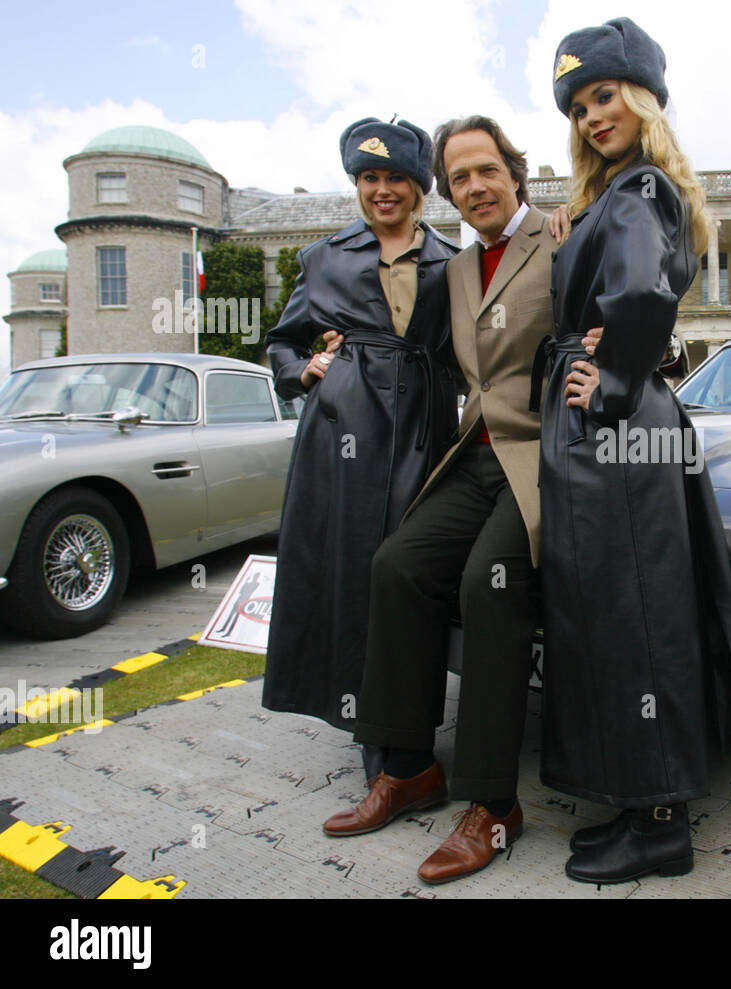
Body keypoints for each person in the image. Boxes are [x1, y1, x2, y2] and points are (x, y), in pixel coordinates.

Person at [538, 16, 731, 885]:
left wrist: (615, 380)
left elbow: (638, 291)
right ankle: (636, 803)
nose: (593, 116)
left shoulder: (638, 193)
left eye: (605, 96)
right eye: (580, 105)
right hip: (605, 429)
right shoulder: (615, 197)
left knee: (632, 617)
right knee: (608, 613)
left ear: (642, 99)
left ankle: (662, 823)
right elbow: (618, 283)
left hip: (613, 432)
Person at [333, 115, 560, 887]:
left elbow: (640, 315)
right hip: (476, 454)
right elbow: (394, 332)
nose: (473, 187)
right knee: (397, 564)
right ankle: (407, 766)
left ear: (515, 173)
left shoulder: (564, 240)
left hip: (543, 460)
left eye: (485, 170)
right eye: (459, 177)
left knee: (486, 582)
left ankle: (494, 805)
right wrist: (319, 355)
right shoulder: (458, 272)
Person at [263, 119, 459, 769]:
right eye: (369, 178)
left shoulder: (450, 264)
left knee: (406, 580)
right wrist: (303, 371)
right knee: (348, 580)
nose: (382, 190)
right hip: (342, 441)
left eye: (395, 178)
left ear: (419, 187)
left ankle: (404, 739)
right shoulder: (322, 258)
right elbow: (285, 342)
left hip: (422, 437)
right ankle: (370, 733)